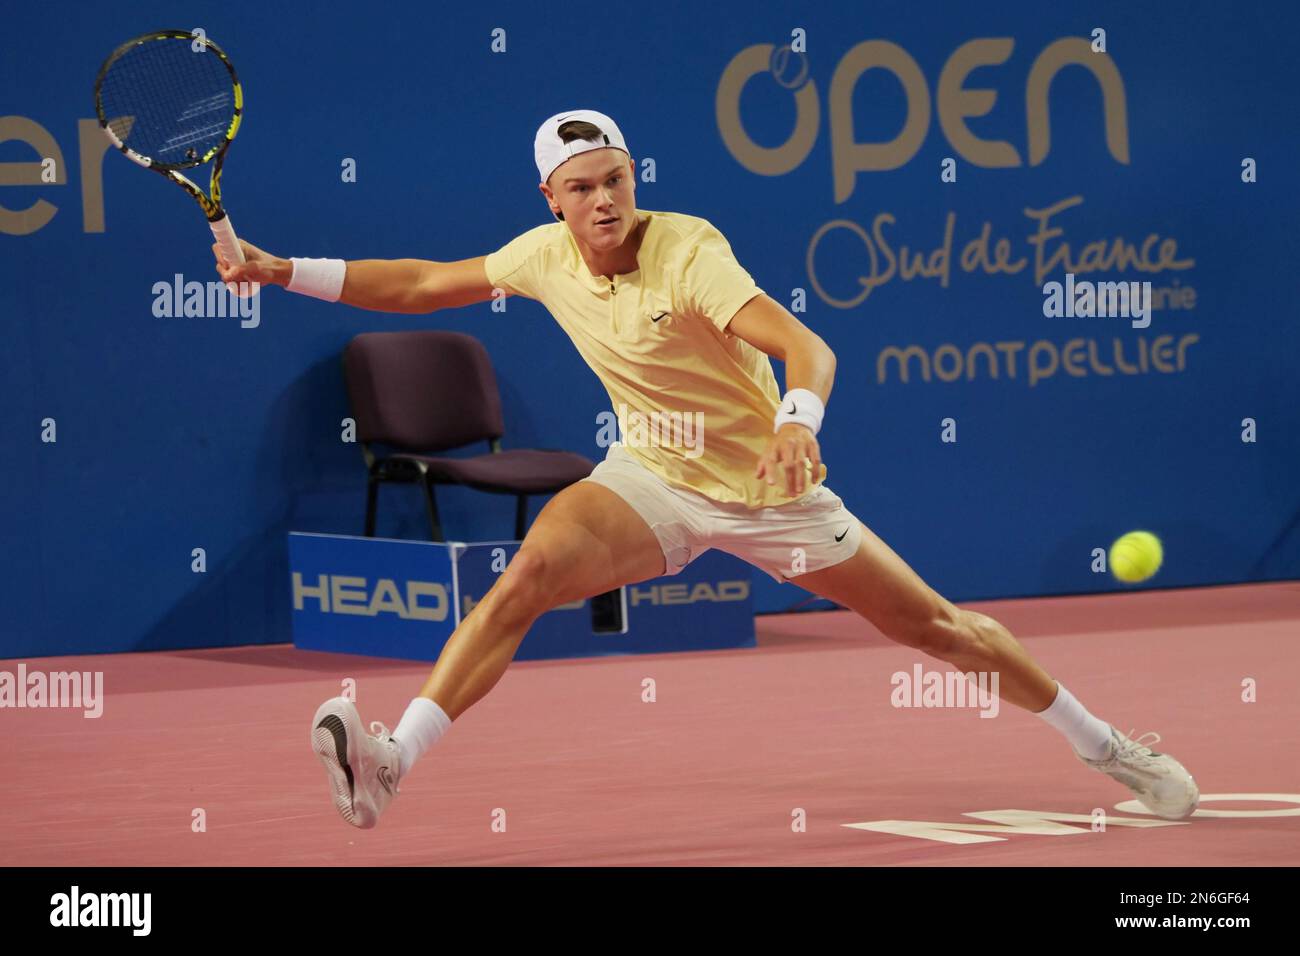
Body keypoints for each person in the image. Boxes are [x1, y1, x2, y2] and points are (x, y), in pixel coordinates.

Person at [214, 109, 1199, 831]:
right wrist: (280, 266)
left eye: (617, 179)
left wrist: (795, 421)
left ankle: (1105, 745)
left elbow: (809, 349)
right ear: (550, 200)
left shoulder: (688, 251)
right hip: (649, 478)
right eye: (583, 186)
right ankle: (391, 759)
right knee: (522, 579)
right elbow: (429, 283)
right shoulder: (540, 256)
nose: (604, 198)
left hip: (774, 493)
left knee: (936, 626)